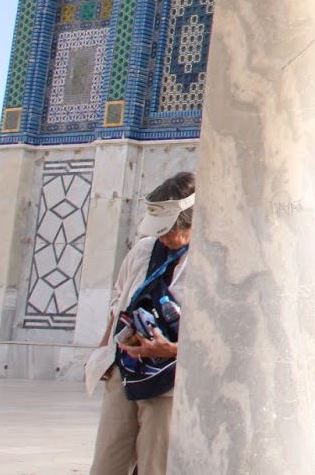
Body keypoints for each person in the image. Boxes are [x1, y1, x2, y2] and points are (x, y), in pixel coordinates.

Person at [87, 171, 196, 475]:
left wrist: (172, 349)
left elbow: (217, 334)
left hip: (169, 380)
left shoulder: (210, 259)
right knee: (107, 462)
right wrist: (105, 353)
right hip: (125, 369)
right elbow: (118, 302)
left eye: (169, 230)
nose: (163, 237)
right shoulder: (144, 250)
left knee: (155, 464)